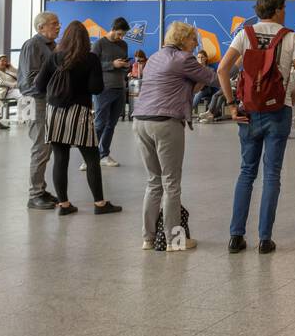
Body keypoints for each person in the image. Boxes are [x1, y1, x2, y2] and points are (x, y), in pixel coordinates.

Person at [220, 0, 295, 255]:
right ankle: (264, 239)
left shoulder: (244, 34)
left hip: (248, 111)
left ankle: (236, 237)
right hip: (278, 111)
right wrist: (291, 96)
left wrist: (230, 104)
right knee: (271, 174)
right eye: (284, 7)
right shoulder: (290, 37)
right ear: (278, 10)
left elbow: (222, 70)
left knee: (247, 172)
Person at [133, 22, 217, 251]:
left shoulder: (155, 58)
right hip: (165, 123)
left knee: (153, 182)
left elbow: (179, 85)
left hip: (140, 120)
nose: (195, 45)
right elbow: (213, 78)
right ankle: (173, 240)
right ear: (182, 39)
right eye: (193, 40)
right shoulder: (183, 59)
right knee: (171, 184)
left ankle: (148, 239)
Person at [34, 21, 121, 216]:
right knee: (91, 158)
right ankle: (99, 203)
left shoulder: (54, 58)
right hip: (79, 113)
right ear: (84, 39)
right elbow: (96, 88)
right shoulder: (90, 59)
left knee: (60, 158)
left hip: (54, 112)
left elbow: (39, 85)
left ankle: (64, 205)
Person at [19, 12, 61, 211]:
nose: (58, 27)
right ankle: (34, 194)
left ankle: (41, 189)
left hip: (46, 100)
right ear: (41, 27)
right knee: (40, 147)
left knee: (46, 147)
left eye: (58, 24)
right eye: (54, 24)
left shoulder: (52, 46)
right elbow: (30, 78)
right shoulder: (32, 45)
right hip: (34, 100)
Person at [90, 17, 131, 168]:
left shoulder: (123, 44)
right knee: (99, 124)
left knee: (111, 125)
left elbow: (125, 66)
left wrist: (126, 65)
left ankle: (104, 154)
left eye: (123, 35)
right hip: (103, 88)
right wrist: (112, 64)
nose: (121, 37)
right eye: (119, 34)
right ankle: (90, 157)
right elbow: (92, 65)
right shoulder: (99, 44)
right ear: (113, 28)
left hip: (120, 88)